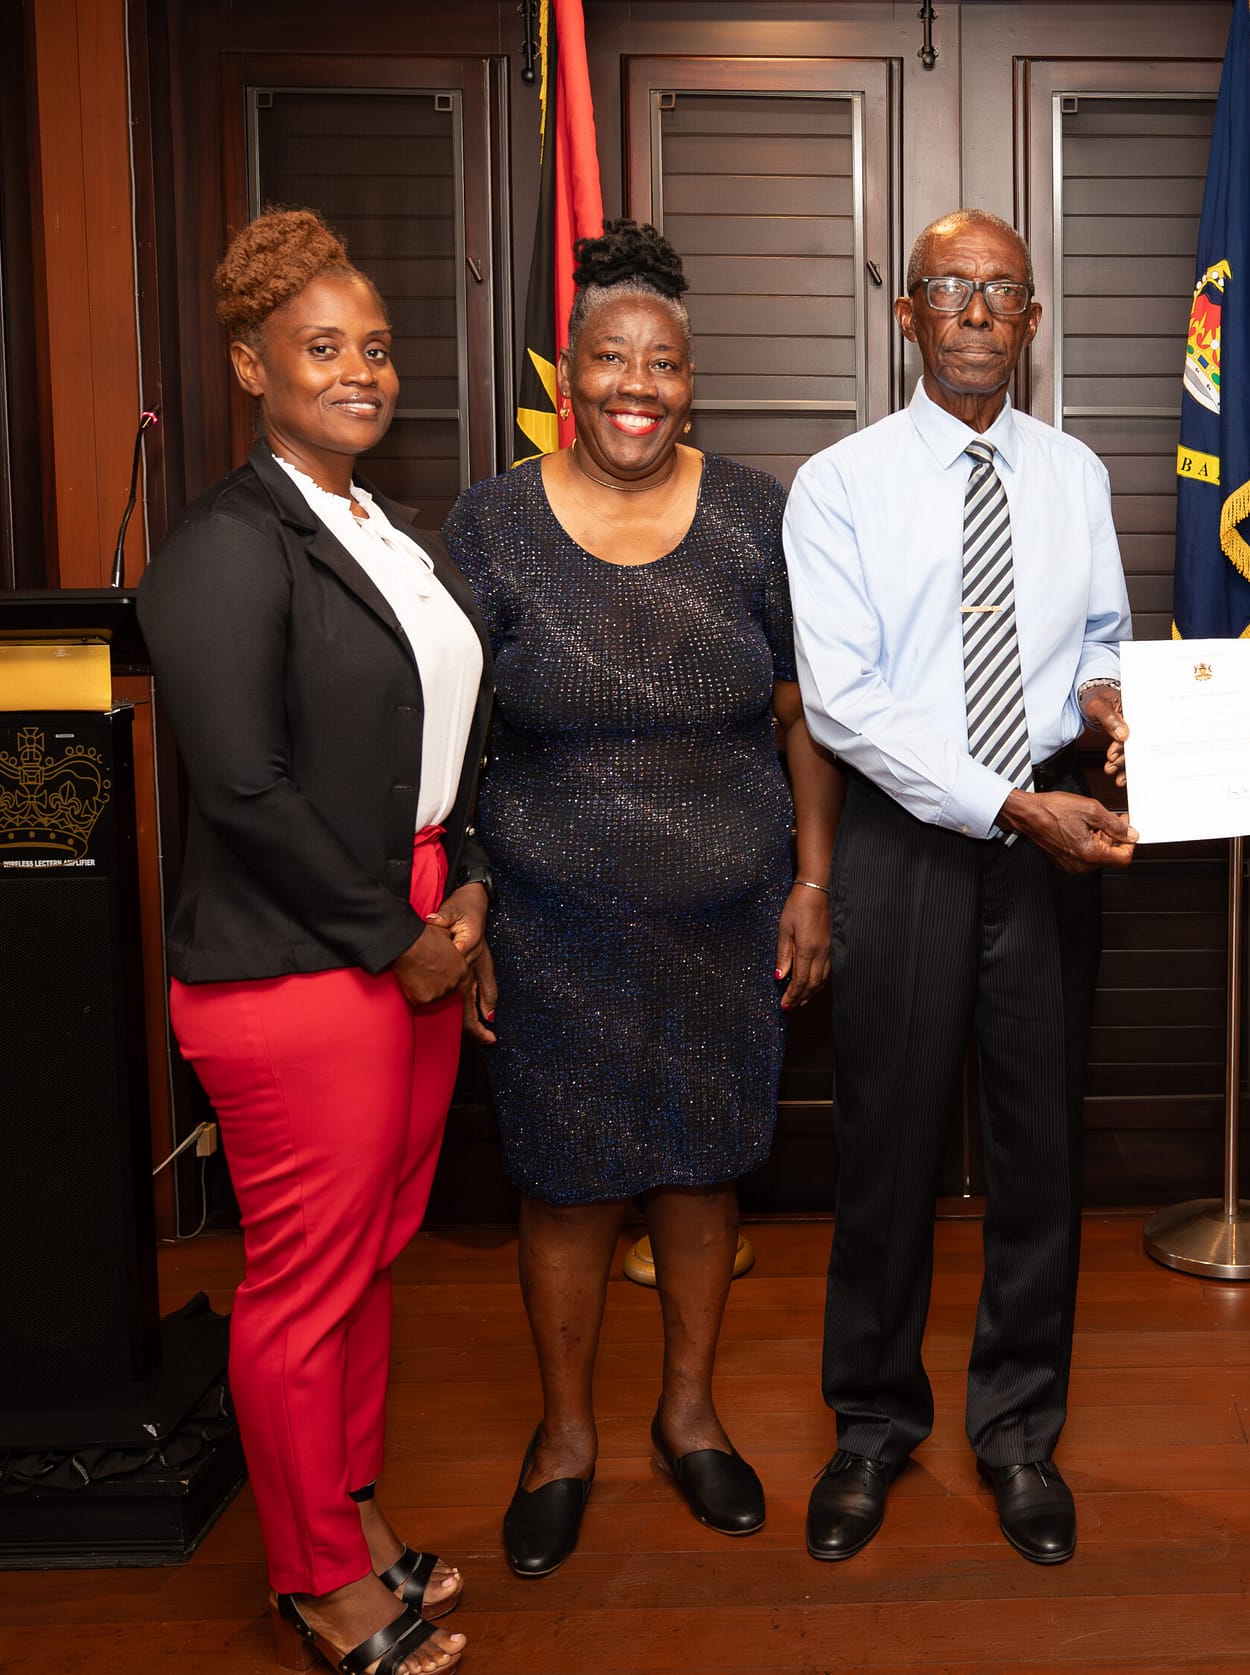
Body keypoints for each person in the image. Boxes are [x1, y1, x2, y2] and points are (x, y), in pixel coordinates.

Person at [443, 221, 844, 1575]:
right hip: (552, 927)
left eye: (663, 363)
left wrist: (810, 880)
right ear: (572, 370)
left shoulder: (754, 514)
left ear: (691, 378)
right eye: (612, 358)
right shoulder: (491, 522)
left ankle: (688, 1415)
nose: (637, 384)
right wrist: (474, 895)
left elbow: (802, 716)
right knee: (562, 1188)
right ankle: (564, 1438)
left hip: (728, 920)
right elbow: (452, 739)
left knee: (702, 1169)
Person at [137, 208, 493, 1675]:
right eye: (322, 347)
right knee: (303, 1285)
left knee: (372, 1256)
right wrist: (394, 935)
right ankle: (317, 1584)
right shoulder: (224, 545)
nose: (362, 370)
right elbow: (239, 785)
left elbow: (433, 731)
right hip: (300, 963)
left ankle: (345, 1513)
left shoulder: (372, 525)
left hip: (410, 928)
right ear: (249, 363)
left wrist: (460, 894)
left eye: (377, 347)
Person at [783, 207, 1136, 1568]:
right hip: (912, 835)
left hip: (1057, 825)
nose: (978, 308)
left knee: (1041, 1148)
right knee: (888, 1143)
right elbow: (845, 704)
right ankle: (872, 1424)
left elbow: (1101, 637)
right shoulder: (841, 486)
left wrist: (1114, 712)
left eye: (1003, 289)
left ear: (1033, 319)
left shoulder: (1075, 474)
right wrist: (1007, 804)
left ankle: (1019, 1435)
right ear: (908, 316)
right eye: (951, 287)